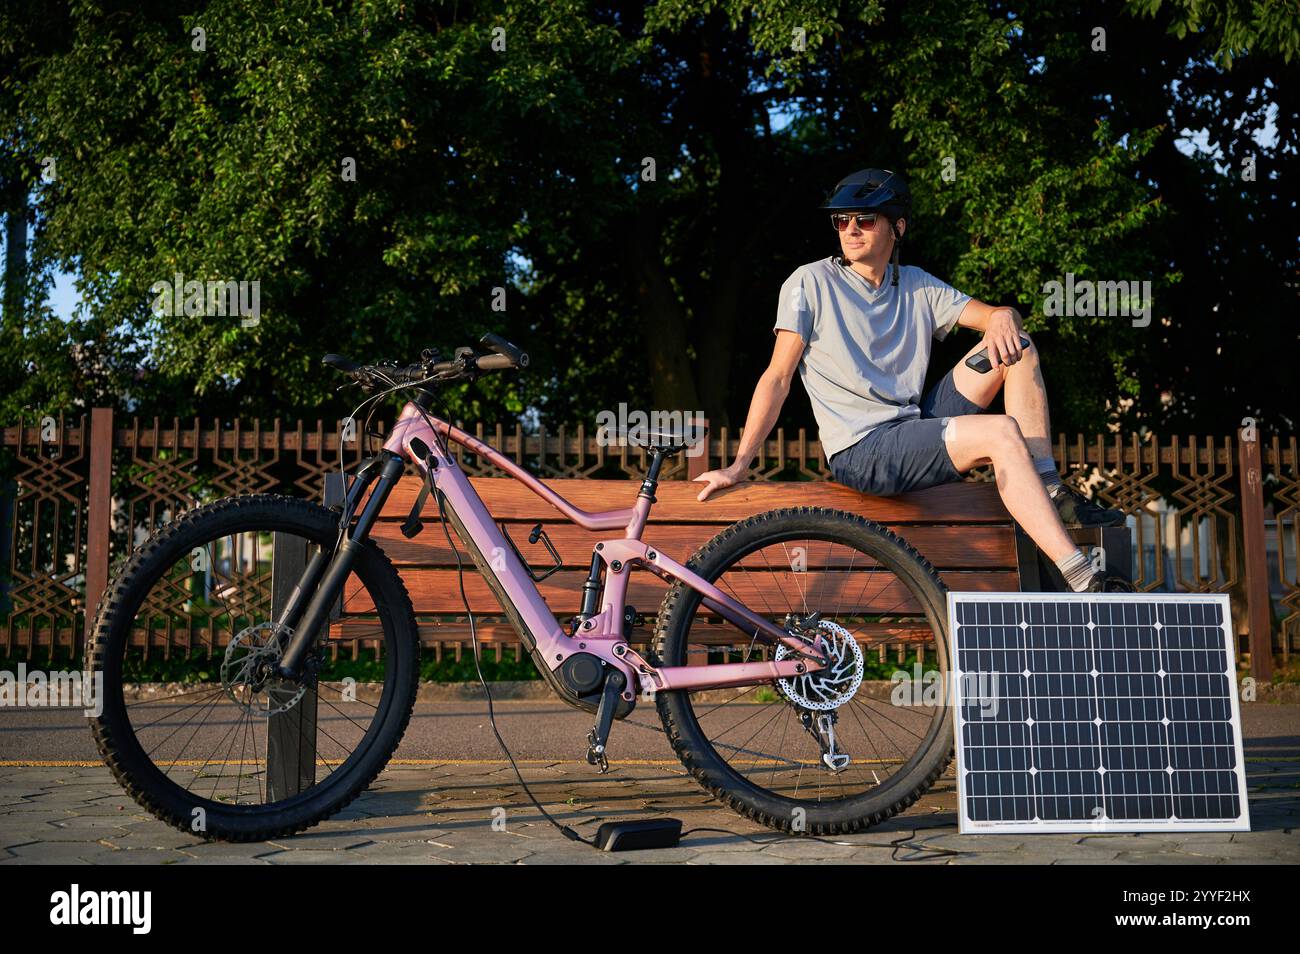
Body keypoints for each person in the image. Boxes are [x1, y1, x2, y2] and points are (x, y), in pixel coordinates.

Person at [694, 168, 1128, 592]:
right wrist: (738, 466)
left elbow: (998, 317)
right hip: (863, 450)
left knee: (1020, 347)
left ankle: (1049, 489)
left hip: (912, 426)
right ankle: (1082, 577)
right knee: (1000, 432)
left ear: (897, 227)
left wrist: (1003, 317)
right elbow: (777, 377)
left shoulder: (916, 284)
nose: (850, 229)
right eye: (841, 220)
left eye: (864, 219)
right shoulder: (809, 282)